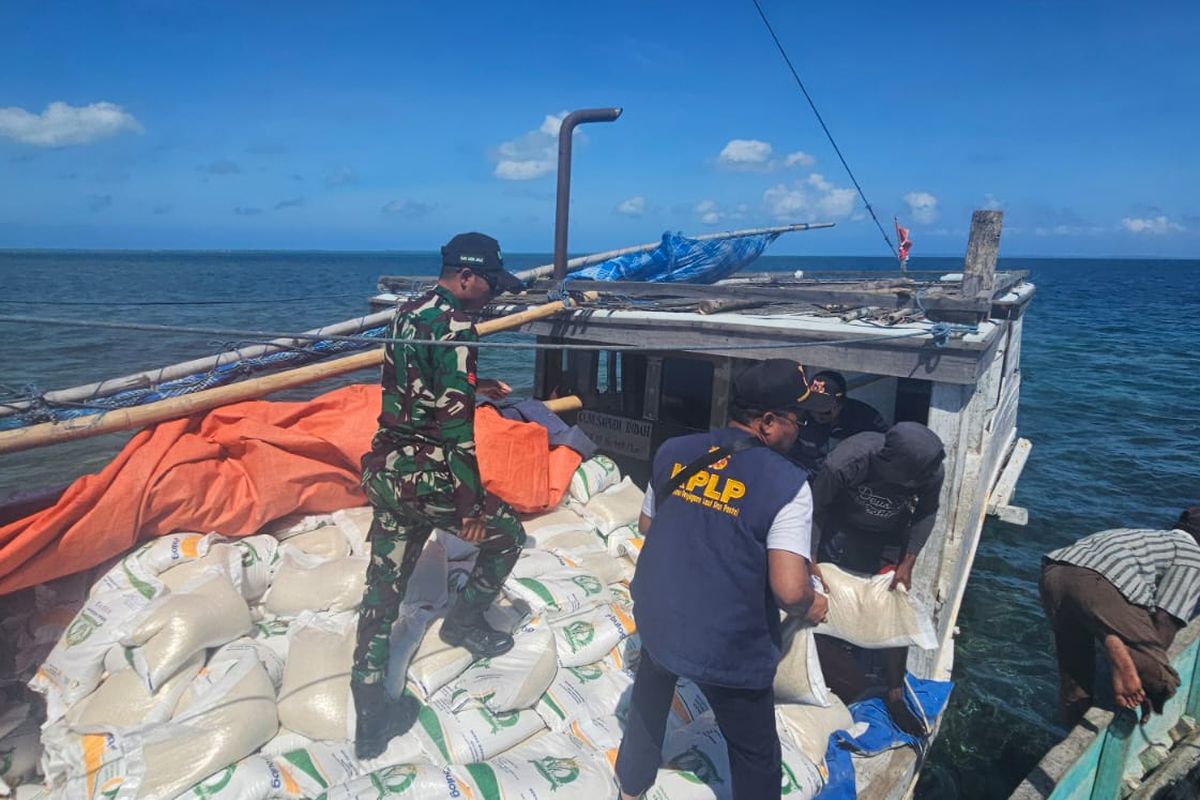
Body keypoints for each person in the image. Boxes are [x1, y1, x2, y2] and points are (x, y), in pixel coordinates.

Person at [615, 359, 834, 800]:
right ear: (768, 423)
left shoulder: (675, 450)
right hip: (727, 642)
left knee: (647, 705)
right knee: (755, 751)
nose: (803, 429)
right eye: (799, 417)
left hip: (659, 619)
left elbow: (646, 524)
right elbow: (789, 591)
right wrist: (816, 605)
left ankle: (630, 791)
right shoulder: (789, 484)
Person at [350, 232, 527, 759]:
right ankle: (465, 622)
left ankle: (369, 717)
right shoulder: (457, 326)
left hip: (385, 470)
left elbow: (414, 388)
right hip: (431, 479)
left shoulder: (408, 312)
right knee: (508, 537)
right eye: (492, 284)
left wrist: (475, 384)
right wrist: (469, 507)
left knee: (383, 590)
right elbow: (456, 433)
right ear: (467, 277)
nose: (495, 294)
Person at [809, 421, 945, 737]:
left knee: (894, 607)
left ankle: (895, 693)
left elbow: (926, 513)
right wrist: (810, 558)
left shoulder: (930, 471)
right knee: (823, 601)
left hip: (889, 537)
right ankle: (820, 675)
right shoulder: (846, 461)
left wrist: (907, 562)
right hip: (838, 530)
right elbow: (815, 509)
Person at [1040, 507, 1200, 727]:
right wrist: (1147, 675)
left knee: (1075, 676)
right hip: (1097, 586)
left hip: (1053, 573)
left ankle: (1073, 725)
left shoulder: (1149, 537)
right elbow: (1165, 621)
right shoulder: (1193, 557)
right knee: (1164, 682)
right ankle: (1113, 643)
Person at [789, 370, 887, 475]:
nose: (816, 414)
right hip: (808, 477)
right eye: (812, 407)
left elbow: (884, 454)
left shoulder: (866, 419)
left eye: (825, 410)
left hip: (849, 481)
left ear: (842, 404)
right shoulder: (799, 416)